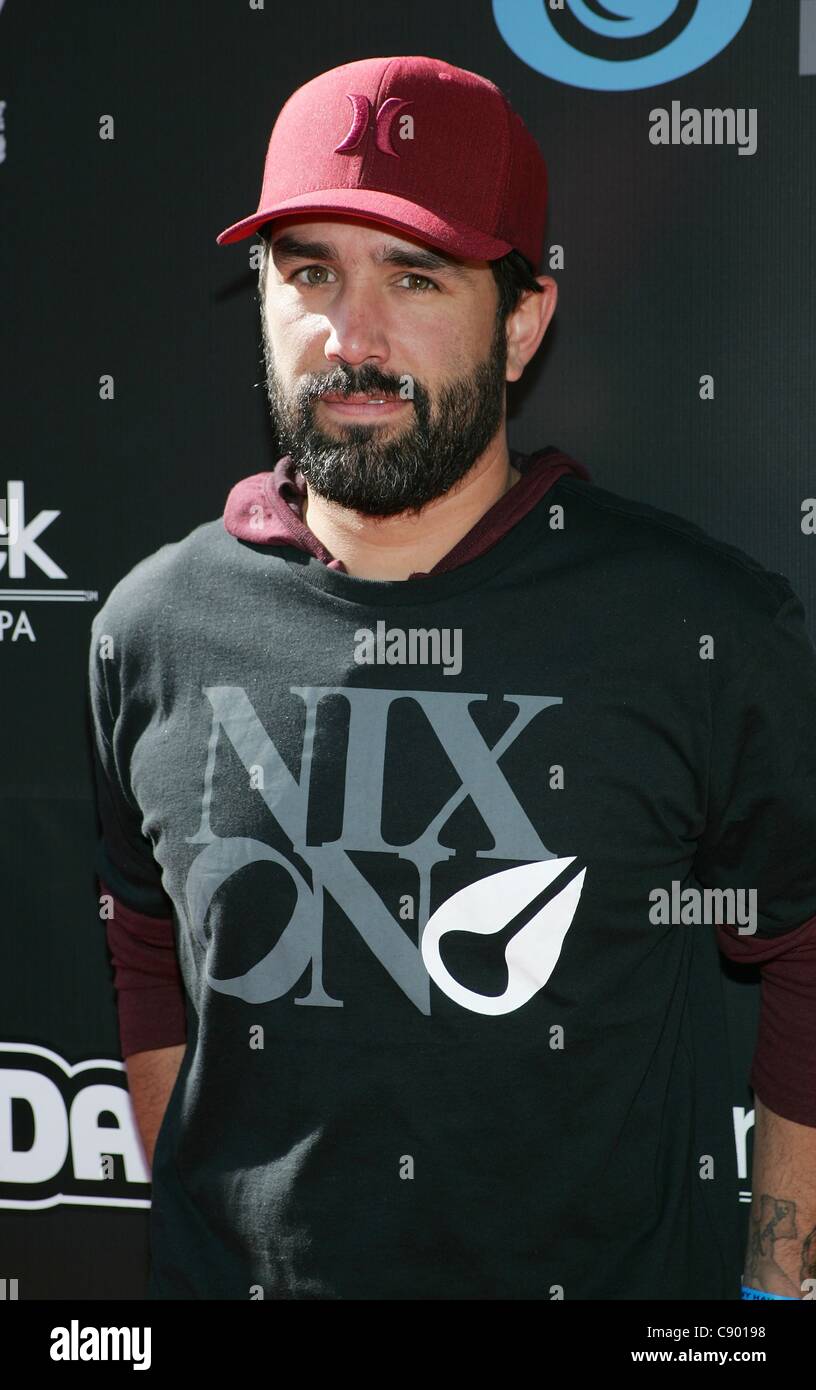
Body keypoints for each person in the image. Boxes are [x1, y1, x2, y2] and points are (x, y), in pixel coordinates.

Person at [88, 55, 816, 1301]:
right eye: (309, 271)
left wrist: (775, 1288)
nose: (348, 336)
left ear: (524, 319)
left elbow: (803, 947)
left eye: (413, 278)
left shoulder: (694, 626)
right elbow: (145, 945)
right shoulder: (156, 625)